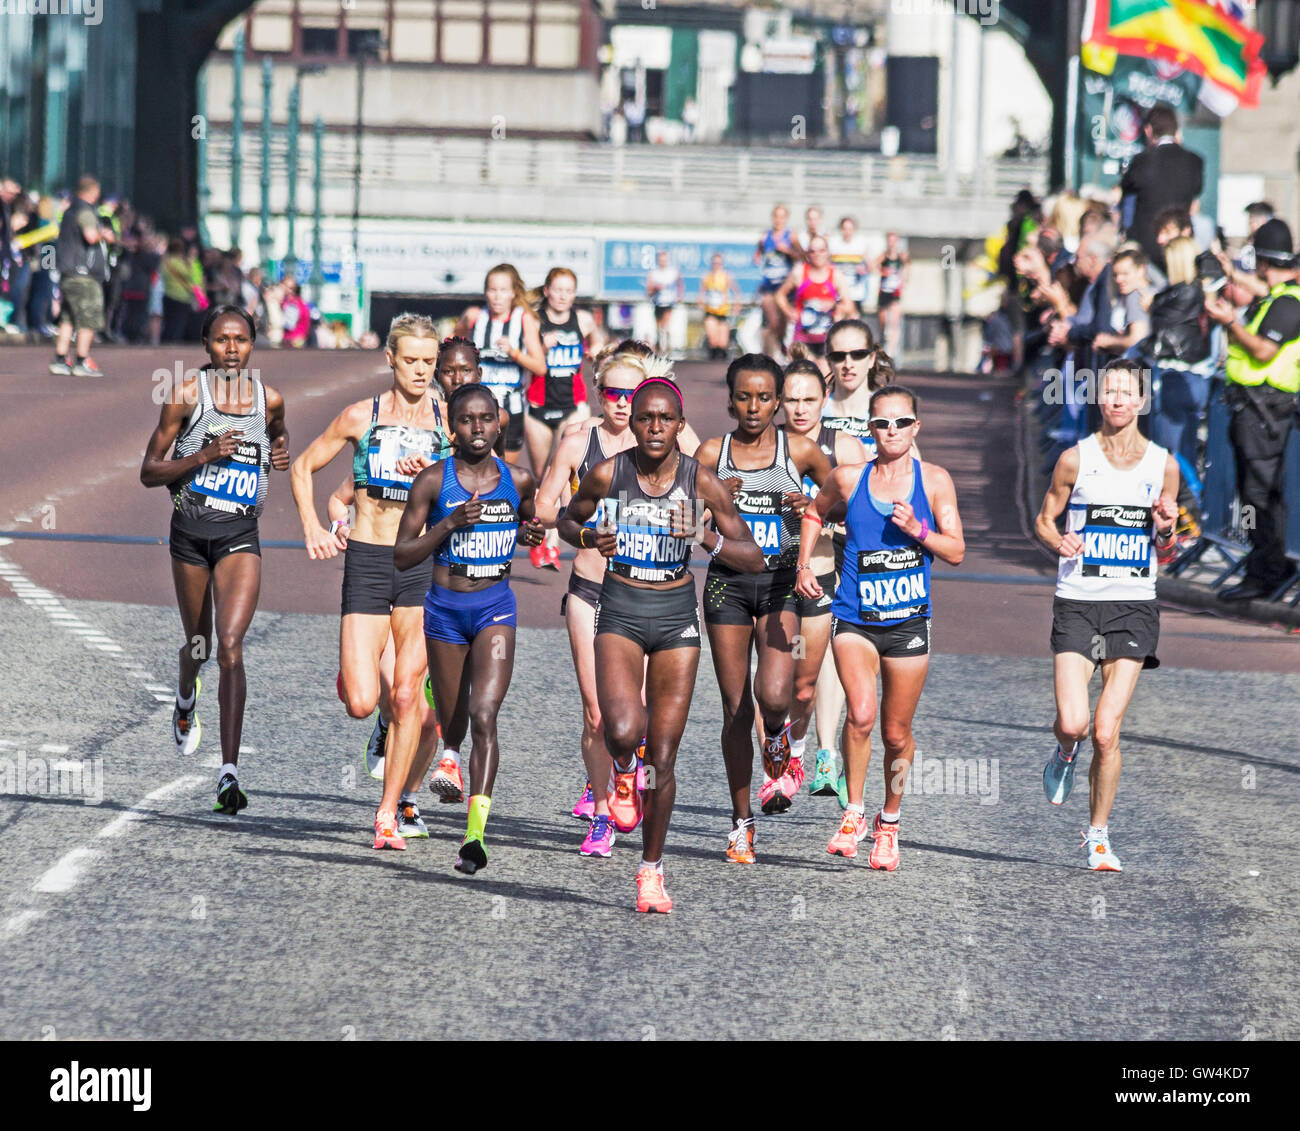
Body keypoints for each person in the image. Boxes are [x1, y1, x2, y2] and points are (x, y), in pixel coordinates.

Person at [558, 372, 763, 912]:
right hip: (621, 610)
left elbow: (752, 556)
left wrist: (702, 534)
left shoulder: (701, 482)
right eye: (644, 417)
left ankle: (651, 870)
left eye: (664, 419)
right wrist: (587, 537)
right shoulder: (608, 473)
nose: (653, 426)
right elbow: (564, 519)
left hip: (676, 617)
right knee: (623, 730)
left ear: (679, 425)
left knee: (665, 758)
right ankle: (623, 772)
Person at [290, 313, 452, 848]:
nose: (421, 370)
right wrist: (316, 525)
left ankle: (389, 812)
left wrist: (438, 473)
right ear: (390, 359)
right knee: (363, 701)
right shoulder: (361, 416)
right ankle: (366, 696)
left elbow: (482, 482)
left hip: (421, 567)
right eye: (411, 360)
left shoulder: (449, 424)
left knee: (409, 696)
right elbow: (302, 465)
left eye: (430, 361)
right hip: (366, 559)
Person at [535, 343, 702, 855]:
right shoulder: (578, 443)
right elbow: (545, 507)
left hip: (655, 595)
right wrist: (579, 522)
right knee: (597, 713)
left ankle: (629, 781)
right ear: (598, 393)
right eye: (613, 392)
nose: (623, 403)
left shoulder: (672, 437)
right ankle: (604, 813)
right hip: (593, 590)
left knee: (642, 717)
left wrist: (697, 526)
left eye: (633, 394)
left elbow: (707, 498)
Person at [795, 384, 965, 869]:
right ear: (869, 429)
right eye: (881, 423)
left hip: (909, 623)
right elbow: (813, 512)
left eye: (901, 422)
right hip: (854, 618)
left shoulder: (933, 481)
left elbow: (956, 551)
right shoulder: (849, 479)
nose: (891, 431)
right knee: (862, 716)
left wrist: (919, 531)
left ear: (916, 427)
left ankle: (889, 823)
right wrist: (805, 565)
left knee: (895, 732)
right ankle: (853, 812)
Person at [139, 305, 290, 813]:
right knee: (200, 646)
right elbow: (149, 471)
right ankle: (186, 696)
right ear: (205, 344)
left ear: (252, 345)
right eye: (222, 339)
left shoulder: (268, 399)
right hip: (189, 537)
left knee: (230, 646)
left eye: (241, 339)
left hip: (239, 536)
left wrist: (280, 450)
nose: (231, 348)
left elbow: (278, 433)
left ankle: (228, 773)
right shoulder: (185, 397)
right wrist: (203, 455)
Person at [394, 383, 546, 873]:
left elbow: (529, 520)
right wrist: (447, 525)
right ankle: (450, 753)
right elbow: (402, 555)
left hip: (495, 606)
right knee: (453, 715)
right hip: (443, 609)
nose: (477, 428)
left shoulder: (517, 477)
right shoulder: (434, 483)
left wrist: (531, 532)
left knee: (485, 713)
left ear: (499, 422)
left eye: (486, 419)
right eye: (466, 420)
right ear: (451, 427)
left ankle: (475, 838)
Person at [1036, 360, 1179, 871]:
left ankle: (1098, 836)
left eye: (1126, 392)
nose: (1117, 400)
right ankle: (1062, 752)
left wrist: (1165, 530)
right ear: (1100, 399)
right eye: (1109, 391)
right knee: (1074, 723)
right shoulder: (1075, 459)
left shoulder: (1163, 464)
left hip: (1133, 604)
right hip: (1077, 600)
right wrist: (1059, 539)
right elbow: (1045, 519)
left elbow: (1168, 546)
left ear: (1142, 401)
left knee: (1105, 730)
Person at [696, 355, 830, 859]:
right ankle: (740, 820)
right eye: (745, 397)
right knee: (735, 708)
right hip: (727, 586)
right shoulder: (713, 452)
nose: (754, 407)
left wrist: (812, 507)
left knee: (774, 695)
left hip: (779, 586)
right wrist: (712, 503)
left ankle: (777, 735)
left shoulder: (799, 449)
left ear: (777, 401)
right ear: (731, 400)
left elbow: (838, 496)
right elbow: (682, 519)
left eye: (765, 397)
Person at [782, 356, 865, 802]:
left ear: (824, 399)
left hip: (827, 569)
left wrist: (821, 511)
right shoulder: (765, 445)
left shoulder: (844, 447)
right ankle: (782, 756)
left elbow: (870, 512)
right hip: (773, 575)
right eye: (791, 399)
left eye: (809, 399)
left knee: (820, 669)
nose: (800, 408)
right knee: (783, 681)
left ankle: (825, 754)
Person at [1205, 218, 1300, 602]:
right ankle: (1267, 567)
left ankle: (1264, 573)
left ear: (1261, 261)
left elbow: (1263, 350)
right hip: (1258, 411)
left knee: (1258, 498)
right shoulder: (1281, 294)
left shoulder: (1288, 304)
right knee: (1255, 495)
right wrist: (1231, 274)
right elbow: (1266, 288)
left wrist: (1230, 324)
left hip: (1264, 413)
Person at [525, 267, 599, 568]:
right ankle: (539, 538)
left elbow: (596, 339)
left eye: (569, 290)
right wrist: (541, 347)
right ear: (546, 291)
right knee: (542, 475)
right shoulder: (532, 320)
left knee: (559, 473)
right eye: (557, 289)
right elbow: (525, 356)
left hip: (574, 405)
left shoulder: (582, 320)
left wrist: (593, 350)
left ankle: (550, 544)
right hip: (538, 407)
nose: (562, 296)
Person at [454, 263, 547, 465]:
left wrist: (514, 353)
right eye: (492, 290)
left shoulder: (523, 319)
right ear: (486, 292)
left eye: (503, 291)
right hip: (475, 407)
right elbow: (450, 346)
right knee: (470, 466)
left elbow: (540, 367)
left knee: (504, 470)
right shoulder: (474, 316)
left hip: (511, 408)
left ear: (513, 293)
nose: (497, 296)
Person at [1120, 103, 1204, 269]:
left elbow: (1126, 192)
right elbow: (1196, 190)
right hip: (1180, 245)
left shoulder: (1141, 161)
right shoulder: (1194, 161)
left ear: (1148, 130)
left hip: (1145, 248)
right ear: (1176, 131)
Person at [49, 175, 111, 377]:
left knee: (67, 317)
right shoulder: (85, 211)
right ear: (93, 191)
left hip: (68, 273)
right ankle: (82, 360)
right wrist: (106, 235)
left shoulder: (68, 211)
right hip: (83, 274)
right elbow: (91, 236)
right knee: (88, 318)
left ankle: (60, 359)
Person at [777, 234, 854, 371]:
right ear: (808, 254)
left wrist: (835, 306)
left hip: (826, 339)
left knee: (825, 375)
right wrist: (789, 311)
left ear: (827, 252)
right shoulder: (799, 272)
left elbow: (849, 305)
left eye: (821, 250)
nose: (817, 255)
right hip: (803, 337)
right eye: (812, 251)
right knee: (805, 374)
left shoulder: (835, 275)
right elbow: (780, 295)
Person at [754, 205, 802, 358]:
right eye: (776, 216)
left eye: (782, 217)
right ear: (772, 217)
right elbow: (757, 255)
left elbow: (802, 256)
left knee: (783, 321)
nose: (778, 220)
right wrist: (759, 257)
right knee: (771, 322)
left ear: (786, 218)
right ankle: (770, 353)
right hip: (769, 286)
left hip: (785, 287)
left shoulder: (791, 236)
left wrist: (787, 251)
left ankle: (782, 342)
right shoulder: (765, 236)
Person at [1094, 247, 1152, 362]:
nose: (1119, 279)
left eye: (1125, 274)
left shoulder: (1136, 296)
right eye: (1115, 275)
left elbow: (1137, 339)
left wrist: (1108, 341)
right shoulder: (1129, 295)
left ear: (1141, 270)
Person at [875, 232, 910, 363]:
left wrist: (904, 279)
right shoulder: (883, 256)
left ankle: (892, 354)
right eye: (890, 241)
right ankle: (882, 351)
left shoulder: (902, 257)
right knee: (883, 326)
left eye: (894, 241)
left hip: (895, 294)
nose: (892, 243)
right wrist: (883, 271)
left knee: (894, 324)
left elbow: (907, 271)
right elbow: (873, 267)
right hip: (884, 293)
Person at [699, 253, 741, 361]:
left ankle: (721, 365)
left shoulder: (726, 276)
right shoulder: (707, 277)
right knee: (713, 341)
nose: (716, 265)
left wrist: (736, 305)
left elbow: (736, 291)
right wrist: (701, 303)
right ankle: (710, 362)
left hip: (723, 313)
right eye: (715, 263)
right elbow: (701, 294)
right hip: (711, 312)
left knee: (722, 343)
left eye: (719, 263)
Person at [645, 250, 683, 355]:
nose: (663, 262)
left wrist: (679, 296)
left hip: (669, 302)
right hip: (658, 302)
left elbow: (680, 284)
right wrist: (656, 288)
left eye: (664, 260)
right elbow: (649, 289)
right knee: (657, 327)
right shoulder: (653, 273)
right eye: (661, 260)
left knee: (666, 326)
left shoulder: (673, 272)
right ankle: (658, 346)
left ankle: (667, 347)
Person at [828, 215, 870, 310]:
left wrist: (864, 269)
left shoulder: (860, 244)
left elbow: (870, 268)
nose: (847, 232)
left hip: (855, 292)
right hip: (838, 292)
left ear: (854, 230)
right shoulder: (834, 244)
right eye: (844, 229)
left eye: (850, 229)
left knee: (855, 322)